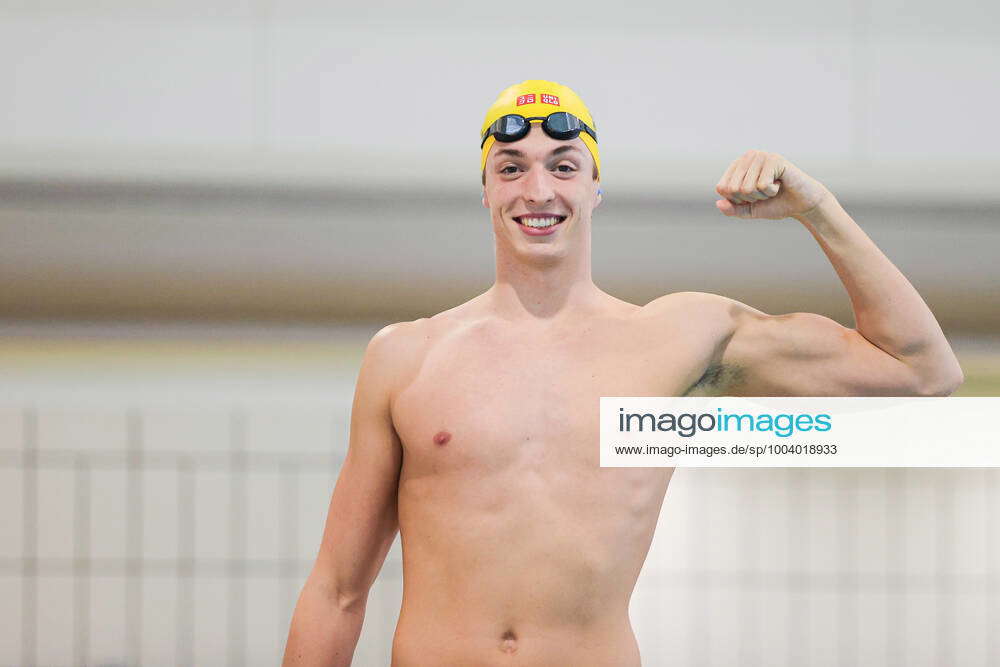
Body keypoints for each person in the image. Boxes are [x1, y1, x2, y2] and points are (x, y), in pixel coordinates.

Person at [281, 79, 963, 666]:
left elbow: (922, 368)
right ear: (485, 190)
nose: (538, 189)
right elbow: (337, 589)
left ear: (596, 186)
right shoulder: (406, 357)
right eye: (511, 167)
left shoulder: (677, 339)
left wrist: (819, 209)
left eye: (564, 165)